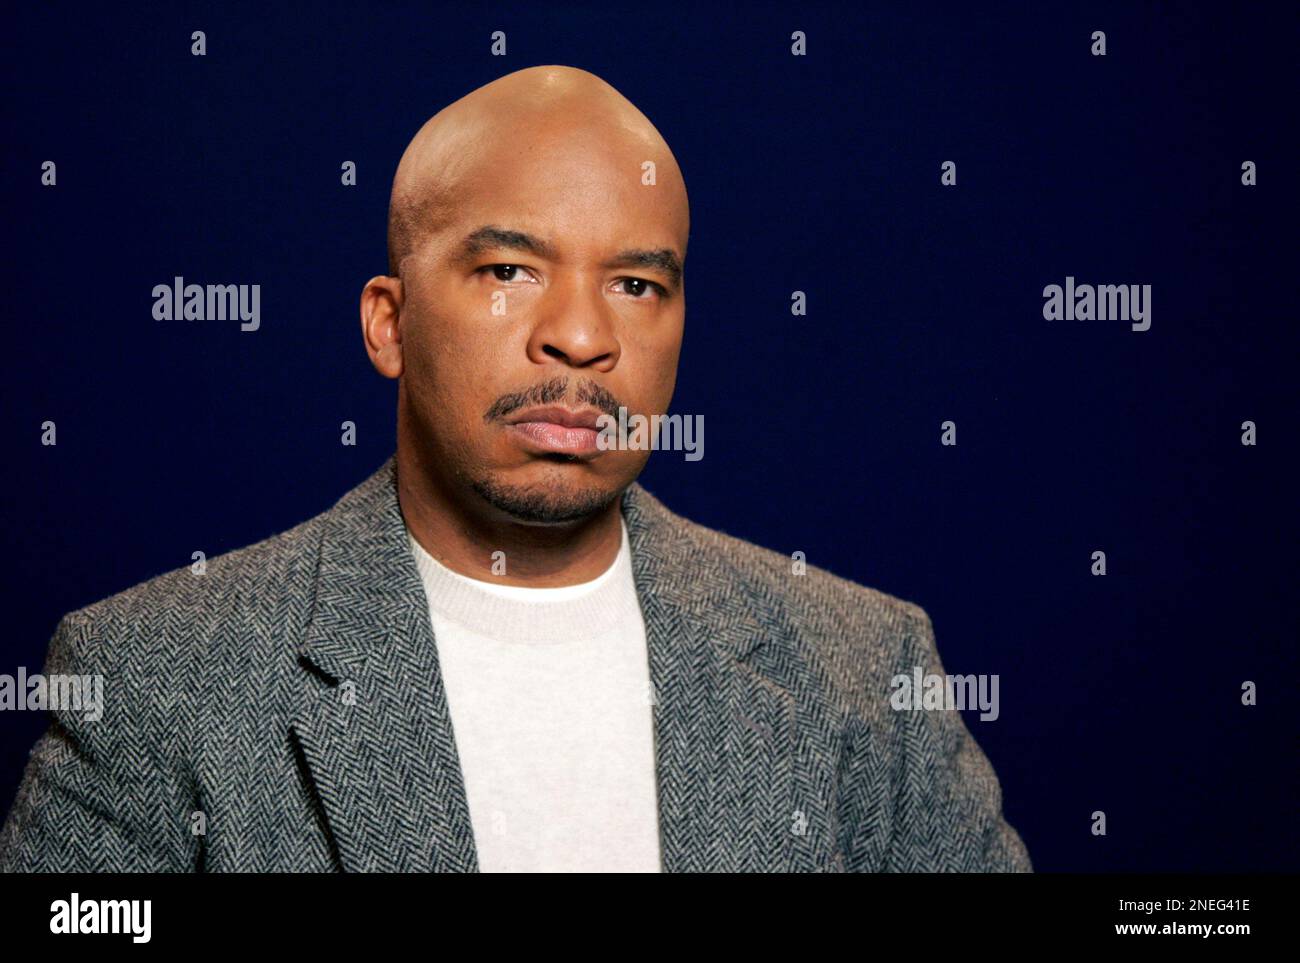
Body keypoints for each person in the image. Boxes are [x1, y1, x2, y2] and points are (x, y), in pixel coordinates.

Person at [0, 65, 1030, 872]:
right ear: (388, 323)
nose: (580, 337)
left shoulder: (864, 663)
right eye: (508, 272)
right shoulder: (152, 679)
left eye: (634, 282)